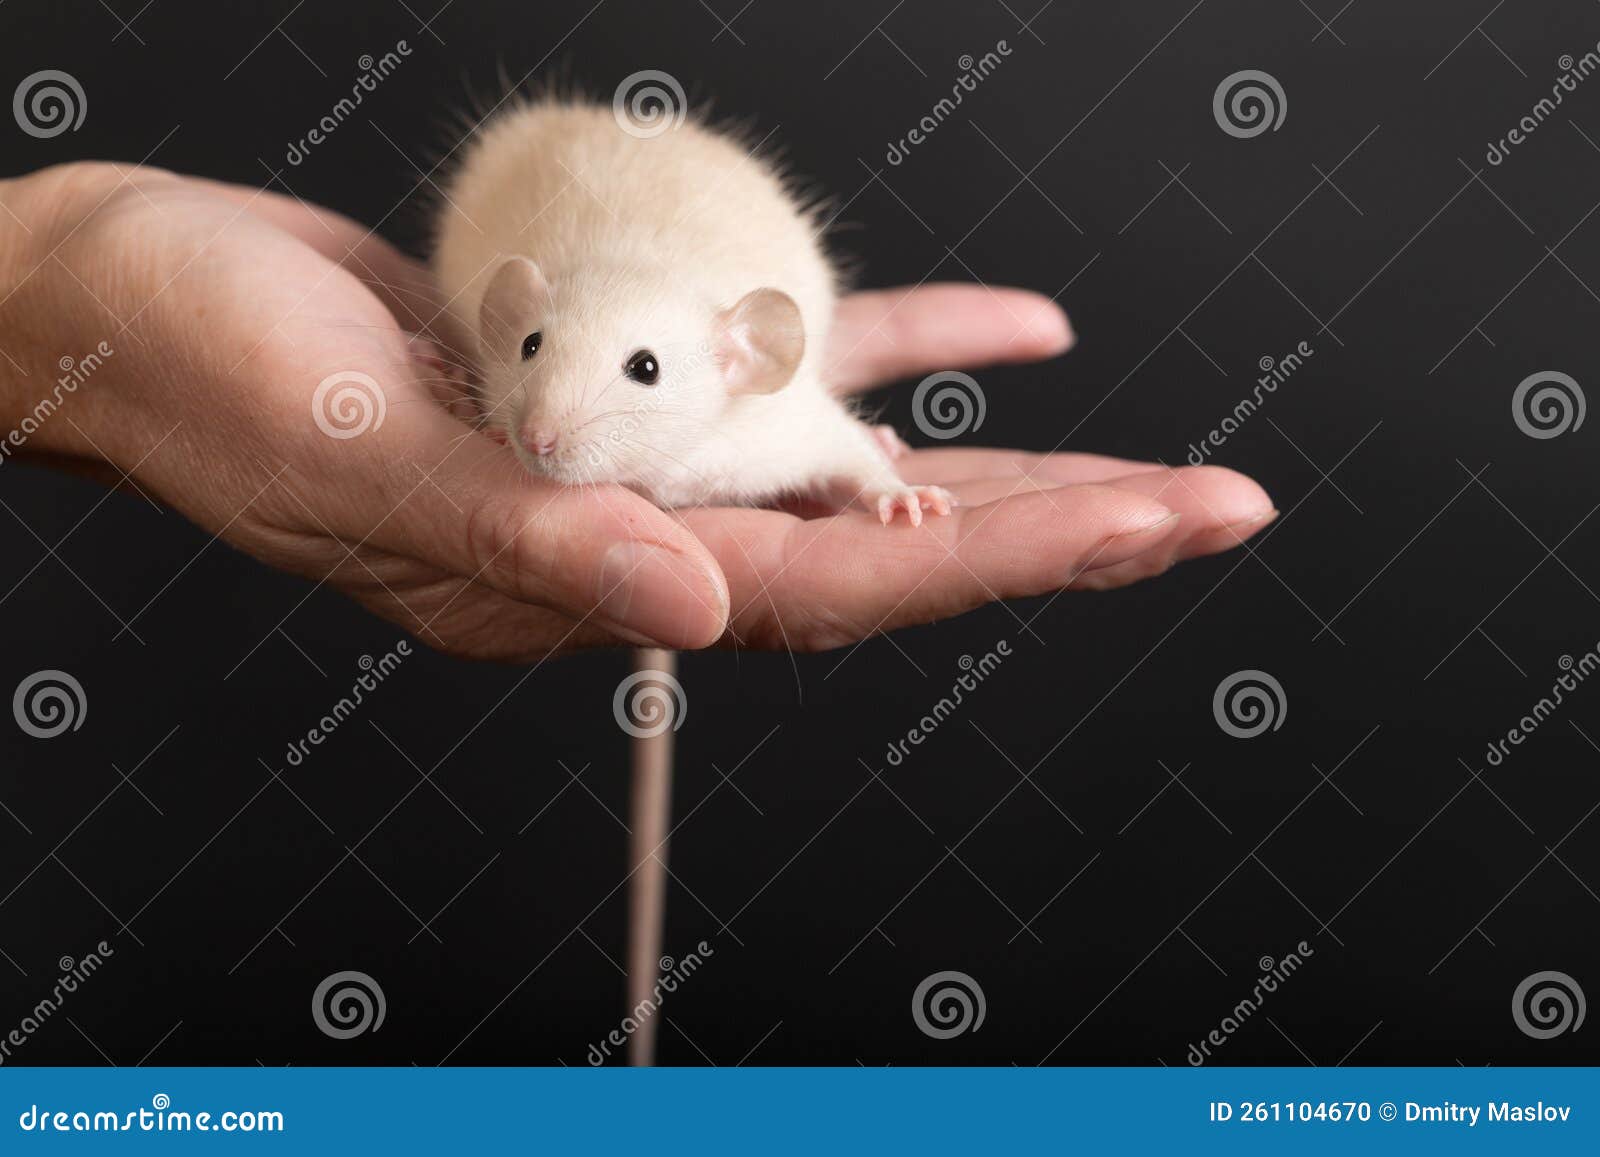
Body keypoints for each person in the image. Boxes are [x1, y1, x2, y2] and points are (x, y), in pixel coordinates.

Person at [0, 162, 1274, 660]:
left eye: (643, 377)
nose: (547, 429)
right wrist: (51, 263)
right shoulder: (526, 384)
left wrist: (881, 482)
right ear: (515, 322)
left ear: (744, 361)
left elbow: (829, 443)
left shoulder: (767, 402)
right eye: (533, 354)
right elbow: (535, 400)